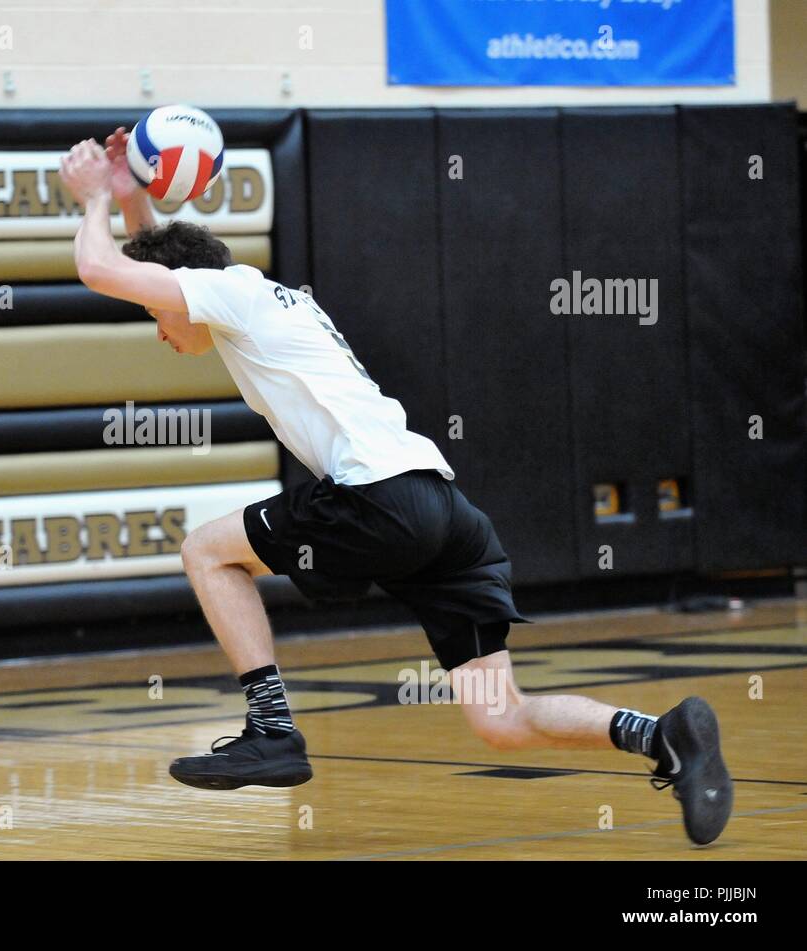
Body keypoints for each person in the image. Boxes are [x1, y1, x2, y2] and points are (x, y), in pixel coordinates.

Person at [57, 133, 733, 846]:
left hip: (376, 499)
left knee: (205, 552)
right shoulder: (248, 299)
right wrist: (131, 193)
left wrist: (96, 195)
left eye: (155, 312)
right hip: (447, 515)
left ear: (181, 293)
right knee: (500, 718)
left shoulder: (228, 295)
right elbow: (151, 258)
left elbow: (102, 268)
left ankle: (272, 729)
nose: (159, 331)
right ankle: (662, 736)